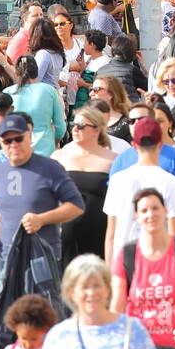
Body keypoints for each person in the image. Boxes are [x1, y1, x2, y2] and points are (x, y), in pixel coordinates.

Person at [110, 188, 175, 349]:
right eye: (144, 210)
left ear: (165, 210)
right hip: (138, 345)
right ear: (136, 216)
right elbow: (116, 308)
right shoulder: (127, 255)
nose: (150, 214)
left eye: (155, 208)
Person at [0, 113, 85, 267]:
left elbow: (77, 206)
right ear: (0, 142)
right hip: (7, 259)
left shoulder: (50, 167)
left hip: (41, 258)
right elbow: (5, 212)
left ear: (29, 137)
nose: (13, 144)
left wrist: (42, 219)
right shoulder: (1, 171)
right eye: (7, 141)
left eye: (18, 138)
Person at [103, 117, 175, 259]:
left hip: (123, 259)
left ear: (134, 145)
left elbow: (111, 232)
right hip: (160, 259)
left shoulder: (118, 179)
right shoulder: (170, 181)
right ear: (160, 144)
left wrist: (111, 272)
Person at [42, 254, 156, 349]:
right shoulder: (58, 336)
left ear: (107, 289)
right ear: (72, 292)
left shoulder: (133, 329)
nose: (91, 292)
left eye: (97, 286)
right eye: (84, 287)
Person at [52, 106, 119, 265]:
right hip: (67, 231)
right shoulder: (59, 156)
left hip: (102, 231)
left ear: (97, 130)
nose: (75, 129)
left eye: (81, 126)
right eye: (73, 125)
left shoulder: (114, 159)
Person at [5, 56, 67, 157]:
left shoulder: (8, 92)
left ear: (17, 72)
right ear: (36, 71)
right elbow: (60, 127)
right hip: (45, 149)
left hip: (16, 150)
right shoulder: (50, 90)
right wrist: (55, 142)